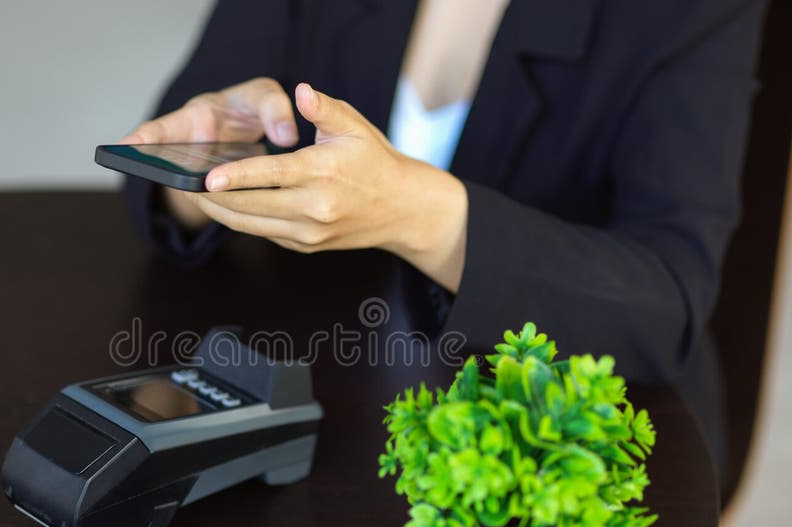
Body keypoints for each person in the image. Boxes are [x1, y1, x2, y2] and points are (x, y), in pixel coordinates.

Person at [121, 0, 768, 477]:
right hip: (312, 386)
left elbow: (667, 304)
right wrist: (206, 172)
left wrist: (421, 213)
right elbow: (164, 165)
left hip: (549, 432)